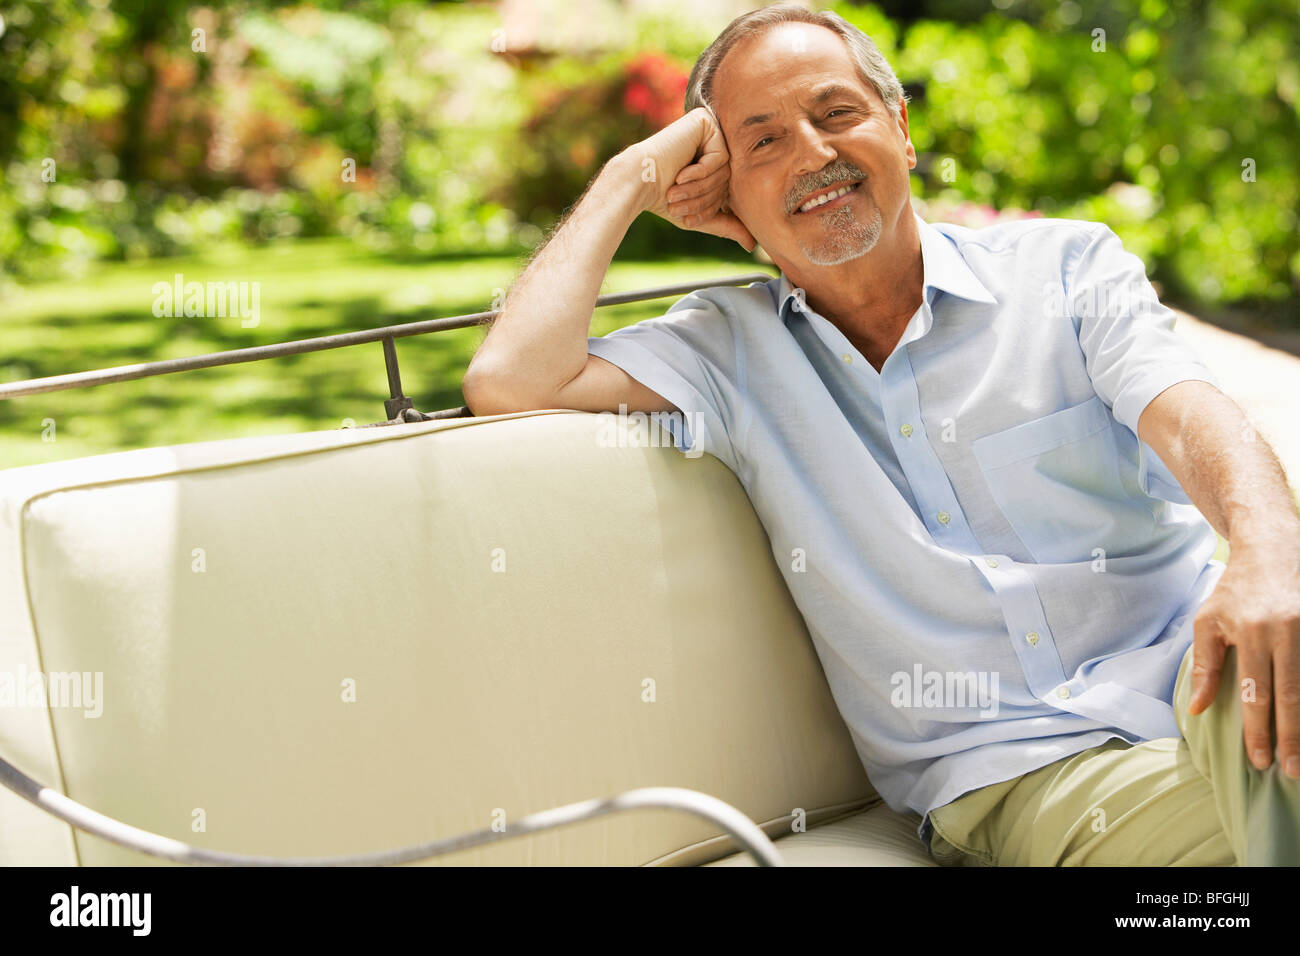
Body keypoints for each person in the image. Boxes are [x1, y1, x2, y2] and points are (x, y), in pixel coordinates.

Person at [463, 3, 1300, 865]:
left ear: (900, 131)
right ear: (729, 197)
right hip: (1026, 771)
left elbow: (1186, 406)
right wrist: (632, 177)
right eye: (763, 144)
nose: (815, 155)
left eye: (836, 115)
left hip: (1201, 671)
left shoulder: (1065, 270)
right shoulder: (725, 352)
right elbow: (511, 378)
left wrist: (1269, 549)